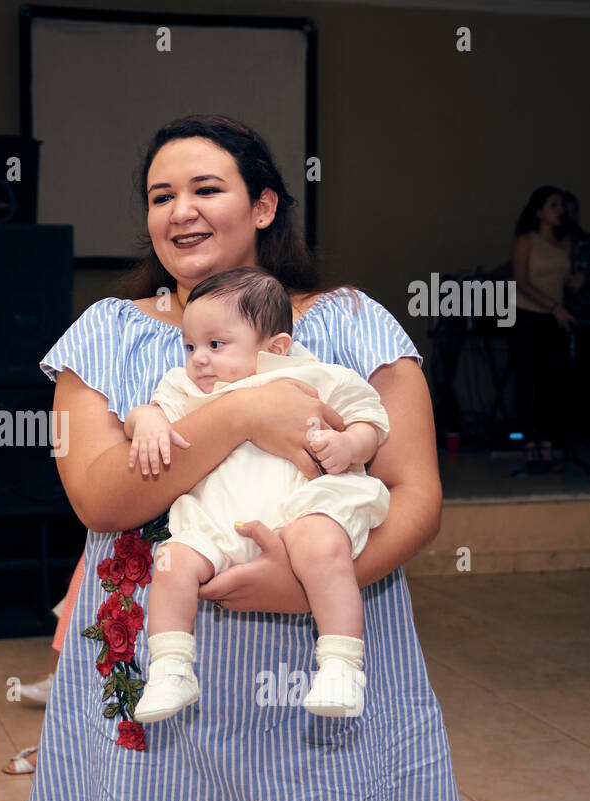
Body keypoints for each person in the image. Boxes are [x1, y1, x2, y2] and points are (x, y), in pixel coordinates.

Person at [26, 114, 460, 801]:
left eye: (205, 188)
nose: (179, 210)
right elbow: (100, 498)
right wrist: (244, 411)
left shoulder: (354, 323)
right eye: (161, 195)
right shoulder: (106, 333)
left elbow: (415, 493)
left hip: (317, 687)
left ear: (263, 206)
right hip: (162, 689)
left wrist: (308, 585)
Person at [123, 267, 391, 722]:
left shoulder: (316, 376)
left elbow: (371, 420)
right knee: (172, 562)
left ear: (275, 348)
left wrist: (348, 445)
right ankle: (171, 667)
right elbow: (146, 414)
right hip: (220, 517)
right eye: (190, 347)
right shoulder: (186, 388)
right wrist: (146, 421)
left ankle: (342, 665)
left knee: (323, 547)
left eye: (216, 344)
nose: (198, 359)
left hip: (304, 508)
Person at [509, 186, 584, 472]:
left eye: (561, 206)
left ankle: (548, 445)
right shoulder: (526, 240)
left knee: (552, 381)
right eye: (553, 205)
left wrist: (576, 282)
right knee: (528, 381)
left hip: (556, 318)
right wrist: (553, 306)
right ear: (539, 211)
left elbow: (561, 278)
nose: (560, 210)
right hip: (529, 316)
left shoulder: (565, 244)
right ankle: (530, 447)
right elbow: (521, 280)